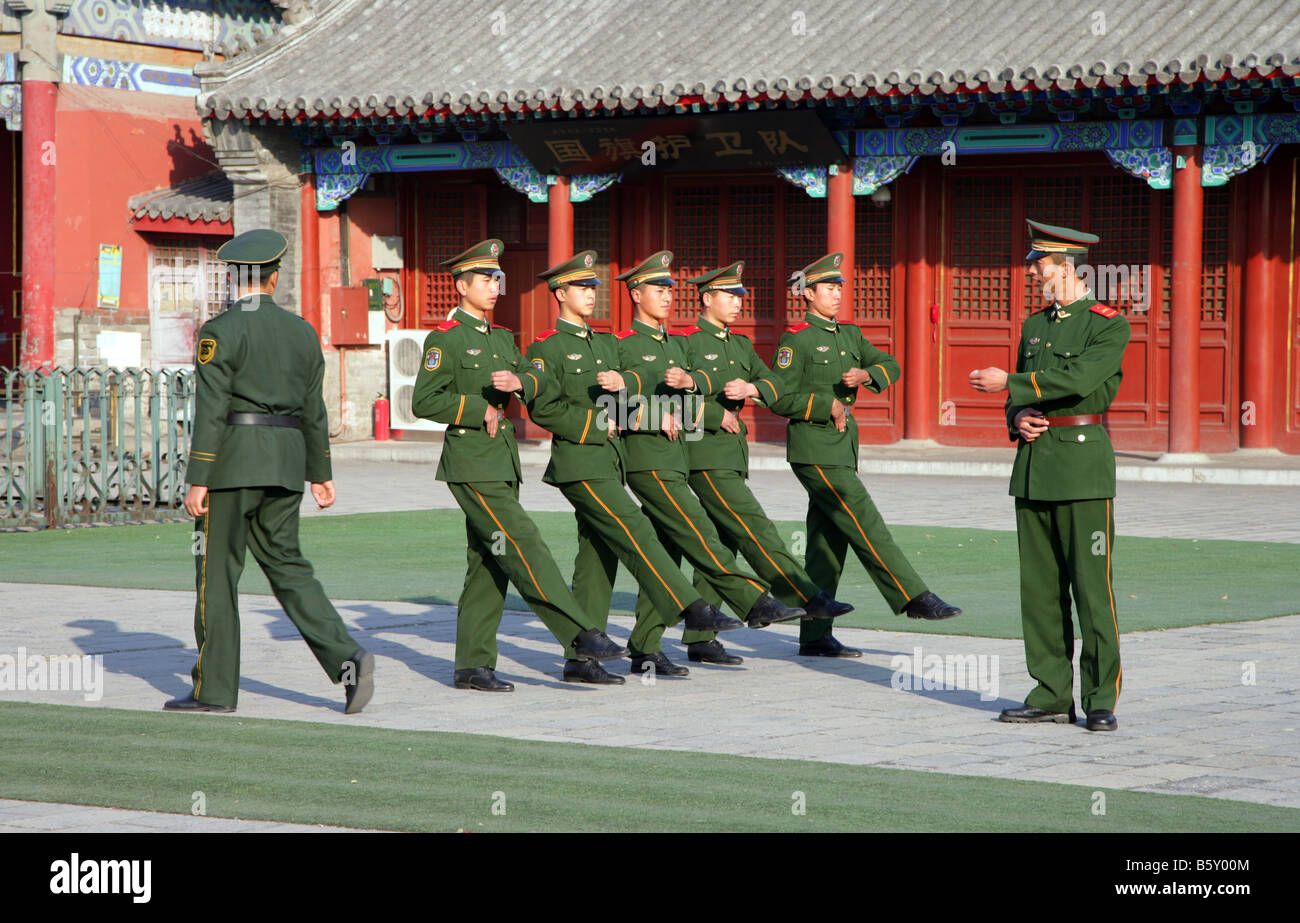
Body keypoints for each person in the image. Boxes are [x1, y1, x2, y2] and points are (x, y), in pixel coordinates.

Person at [167, 228, 373, 715]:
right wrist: (320, 471)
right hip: (285, 463)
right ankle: (349, 658)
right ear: (275, 278)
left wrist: (198, 476)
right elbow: (314, 410)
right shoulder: (302, 331)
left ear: (233, 278)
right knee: (289, 568)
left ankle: (214, 691)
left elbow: (213, 408)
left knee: (217, 575)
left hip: (234, 464)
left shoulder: (219, 331)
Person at [513, 251, 744, 684]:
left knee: (597, 560)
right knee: (635, 530)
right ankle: (690, 605)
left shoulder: (604, 344)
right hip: (580, 460)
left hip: (613, 460)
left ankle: (582, 657)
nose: (589, 294)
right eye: (581, 287)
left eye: (593, 288)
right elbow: (543, 405)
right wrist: (605, 421)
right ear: (559, 293)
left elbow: (625, 399)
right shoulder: (547, 346)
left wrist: (648, 414)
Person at [411, 239, 629, 692]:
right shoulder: (445, 339)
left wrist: (520, 381)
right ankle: (578, 634)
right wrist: (479, 409)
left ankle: (472, 665)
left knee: (489, 560)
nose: (495, 287)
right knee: (523, 541)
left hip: (502, 463)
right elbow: (424, 400)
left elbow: (535, 376)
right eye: (487, 279)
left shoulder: (502, 337)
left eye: (498, 279)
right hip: (471, 463)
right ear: (461, 285)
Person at [600, 250, 806, 677]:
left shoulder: (677, 345)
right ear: (636, 294)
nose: (668, 297)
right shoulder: (620, 345)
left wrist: (709, 409)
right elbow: (609, 409)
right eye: (659, 289)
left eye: (670, 289)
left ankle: (644, 647)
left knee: (665, 554)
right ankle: (753, 601)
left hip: (678, 458)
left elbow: (694, 400)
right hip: (645, 460)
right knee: (700, 533)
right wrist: (664, 415)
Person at [969, 220, 1129, 732]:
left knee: (1091, 589)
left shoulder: (1108, 324)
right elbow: (1022, 397)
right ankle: (1051, 693)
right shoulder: (1034, 326)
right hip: (1035, 467)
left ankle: (1100, 698)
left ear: (1067, 266)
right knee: (1039, 590)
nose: (1033, 270)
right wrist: (1016, 415)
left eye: (1039, 262)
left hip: (1082, 468)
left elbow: (1080, 378)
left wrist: (1009, 382)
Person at [768, 252, 962, 658]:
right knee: (864, 519)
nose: (837, 295)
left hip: (841, 448)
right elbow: (779, 397)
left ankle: (815, 635)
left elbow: (890, 364)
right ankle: (913, 596)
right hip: (814, 447)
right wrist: (828, 406)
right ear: (807, 293)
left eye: (840, 288)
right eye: (828, 288)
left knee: (826, 541)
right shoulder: (796, 339)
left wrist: (866, 375)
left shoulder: (851, 335)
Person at [671, 261, 855, 665]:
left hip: (731, 455)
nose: (739, 303)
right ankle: (804, 596)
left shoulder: (738, 345)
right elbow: (665, 399)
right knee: (753, 525)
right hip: (703, 454)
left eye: (740, 295)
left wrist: (754, 386)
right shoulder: (686, 342)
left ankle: (701, 637)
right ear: (706, 299)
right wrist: (711, 412)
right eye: (730, 296)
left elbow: (776, 383)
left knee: (718, 546)